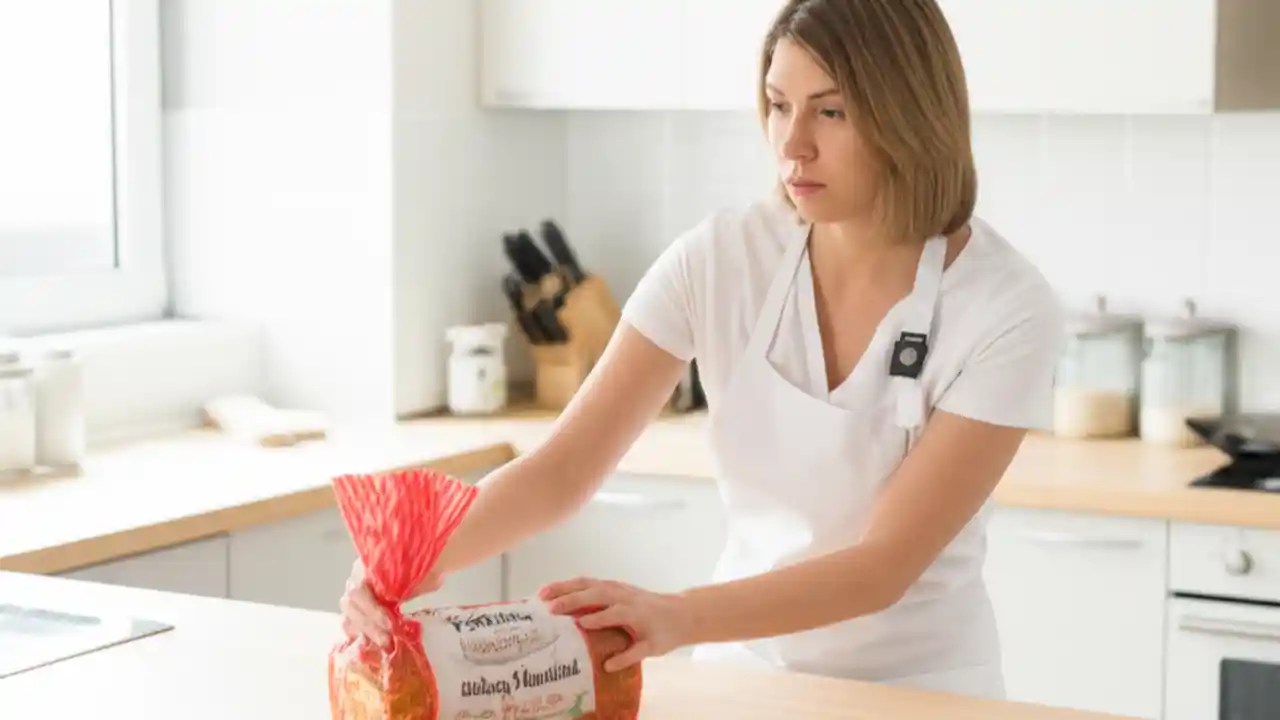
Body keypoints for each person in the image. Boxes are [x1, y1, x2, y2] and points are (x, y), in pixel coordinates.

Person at [341, 0, 1063, 700]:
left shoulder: (1004, 306)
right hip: (746, 678)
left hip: (919, 691)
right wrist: (407, 558)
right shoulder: (720, 260)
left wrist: (678, 615)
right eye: (779, 105)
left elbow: (883, 566)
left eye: (830, 111)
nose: (792, 143)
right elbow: (561, 470)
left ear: (909, 114)